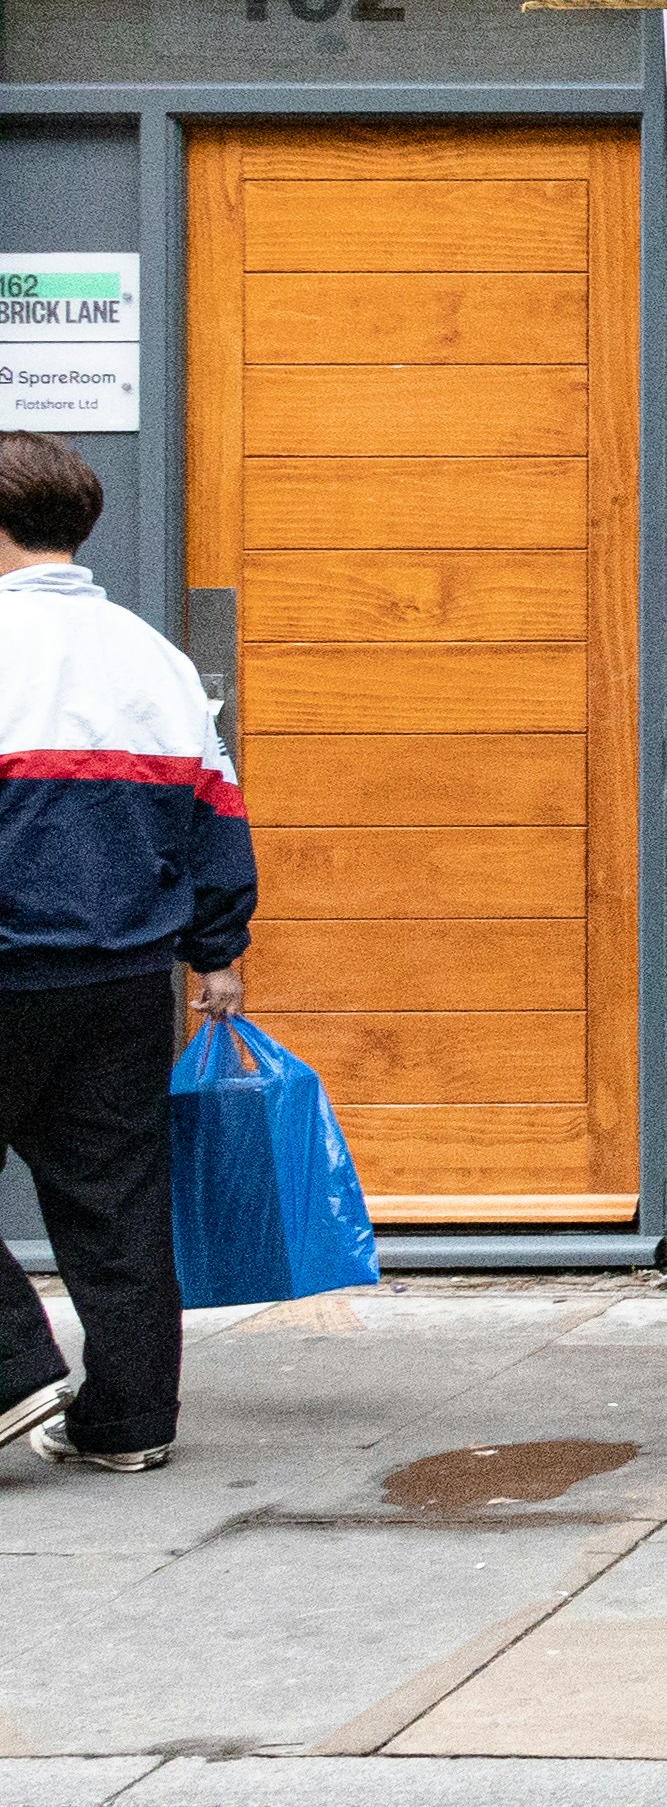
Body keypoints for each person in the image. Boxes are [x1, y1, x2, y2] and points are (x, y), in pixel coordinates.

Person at [0, 432, 256, 1475]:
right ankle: (129, 1423)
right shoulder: (153, 657)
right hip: (122, 979)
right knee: (116, 1204)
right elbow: (216, 818)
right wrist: (218, 955)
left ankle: (14, 1371)